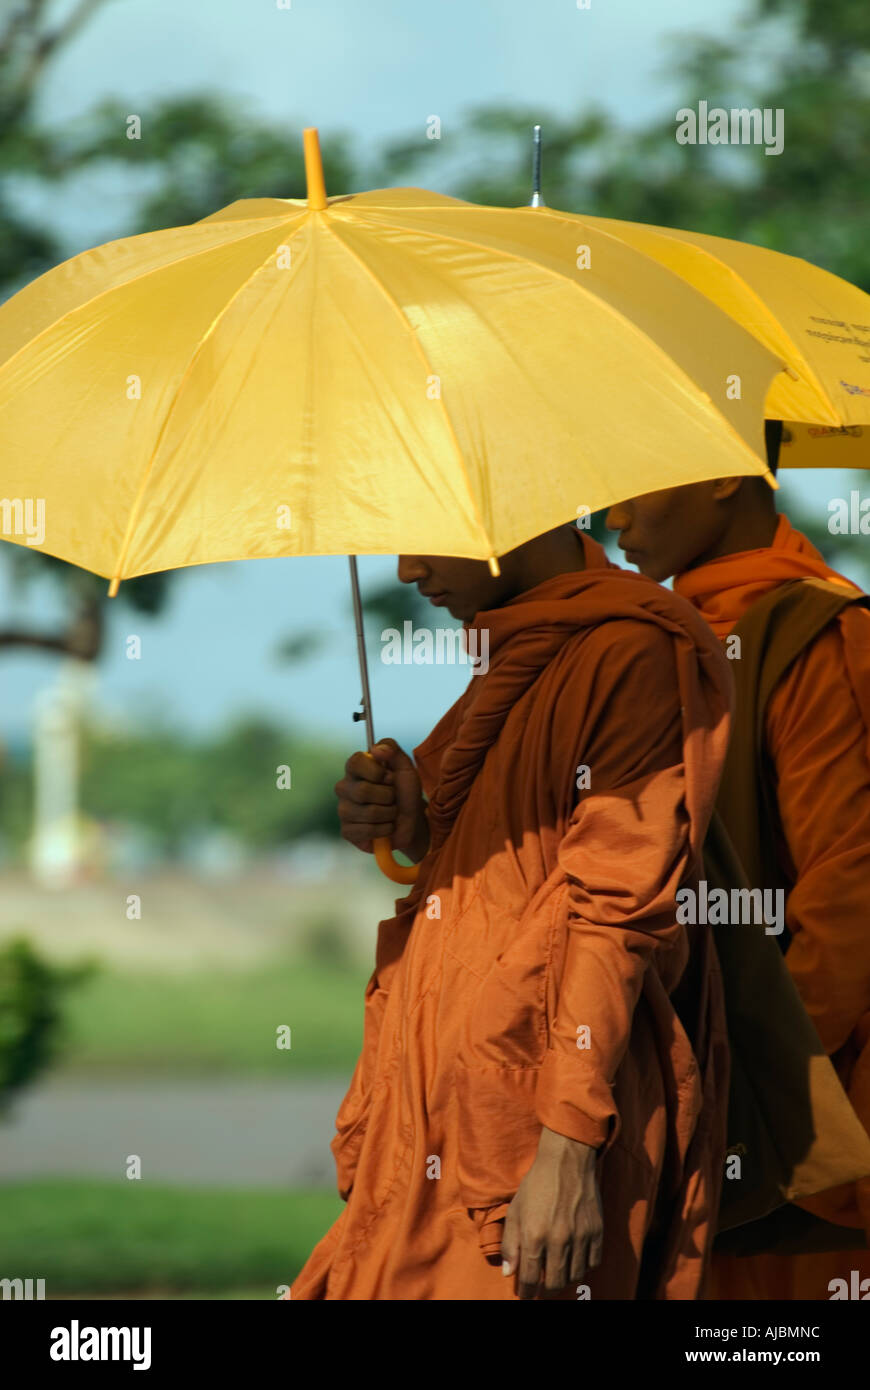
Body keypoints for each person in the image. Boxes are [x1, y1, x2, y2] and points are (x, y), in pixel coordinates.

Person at [286, 521, 732, 1301]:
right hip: (437, 1093)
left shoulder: (628, 655)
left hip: (537, 1110)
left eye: (430, 532)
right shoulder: (524, 648)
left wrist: (567, 1149)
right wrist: (417, 827)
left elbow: (612, 916)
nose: (407, 564)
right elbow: (497, 874)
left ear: (519, 511)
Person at [605, 422, 870, 1299]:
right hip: (669, 1116)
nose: (613, 514)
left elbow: (850, 894)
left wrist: (755, 1091)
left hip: (798, 1135)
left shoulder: (814, 634)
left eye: (635, 480)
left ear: (723, 472)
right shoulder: (651, 642)